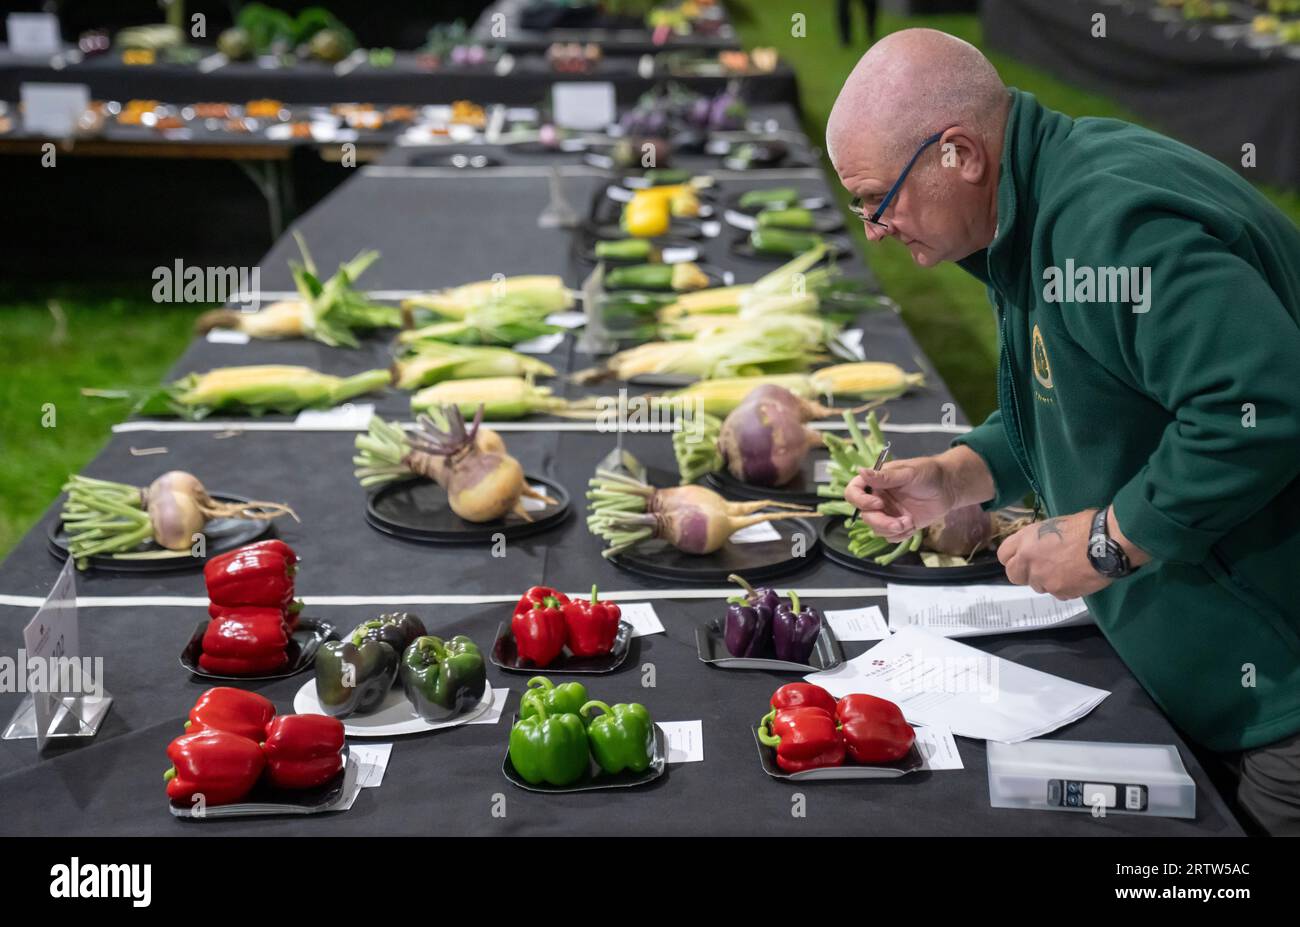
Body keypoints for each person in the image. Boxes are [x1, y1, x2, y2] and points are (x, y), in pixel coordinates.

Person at [825, 28, 1300, 835]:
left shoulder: (1108, 226)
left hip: (1279, 699)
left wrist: (1110, 540)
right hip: (1221, 678)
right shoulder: (1030, 211)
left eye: (880, 198)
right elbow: (1085, 390)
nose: (872, 227)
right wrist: (960, 470)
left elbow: (1262, 404)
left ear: (960, 155)